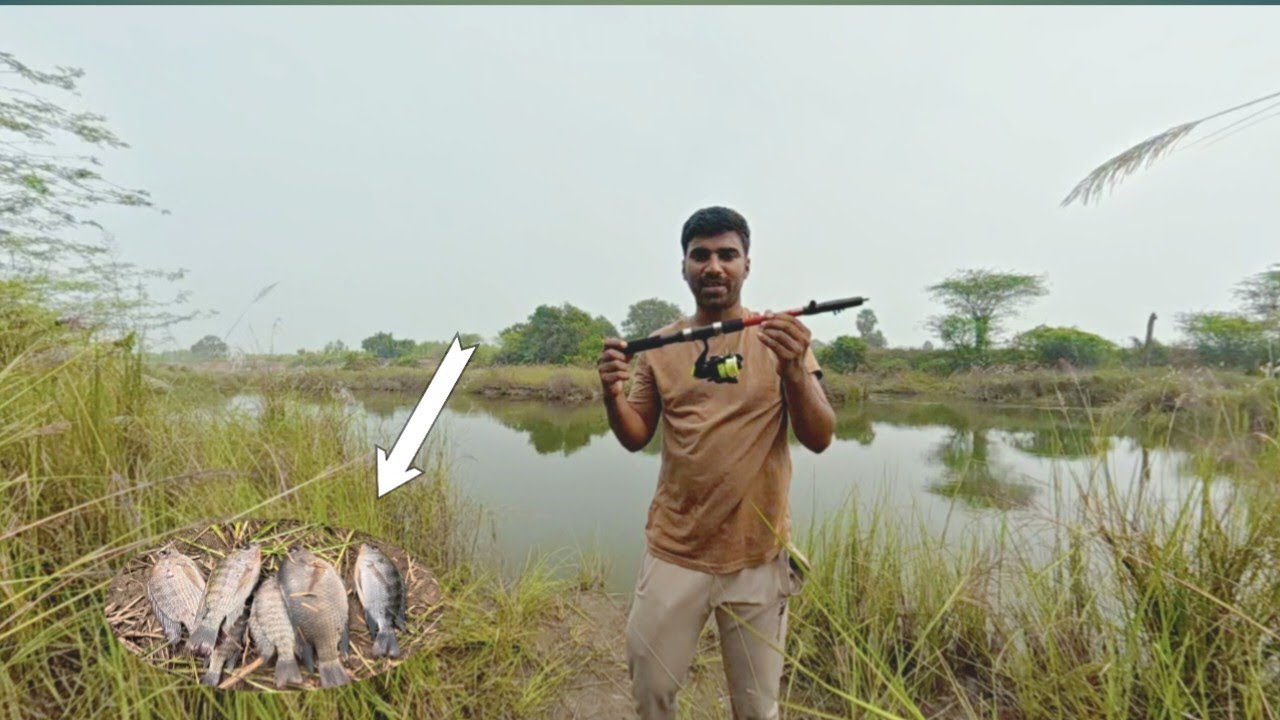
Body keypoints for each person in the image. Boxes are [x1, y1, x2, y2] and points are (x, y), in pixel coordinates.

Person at [596, 206, 835, 719]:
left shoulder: (779, 337)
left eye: (728, 254)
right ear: (683, 266)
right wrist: (611, 393)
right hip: (675, 549)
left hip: (758, 554)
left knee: (756, 709)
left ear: (747, 265)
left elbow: (819, 436)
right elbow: (636, 435)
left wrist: (794, 367)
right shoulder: (659, 347)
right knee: (651, 690)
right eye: (700, 255)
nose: (714, 266)